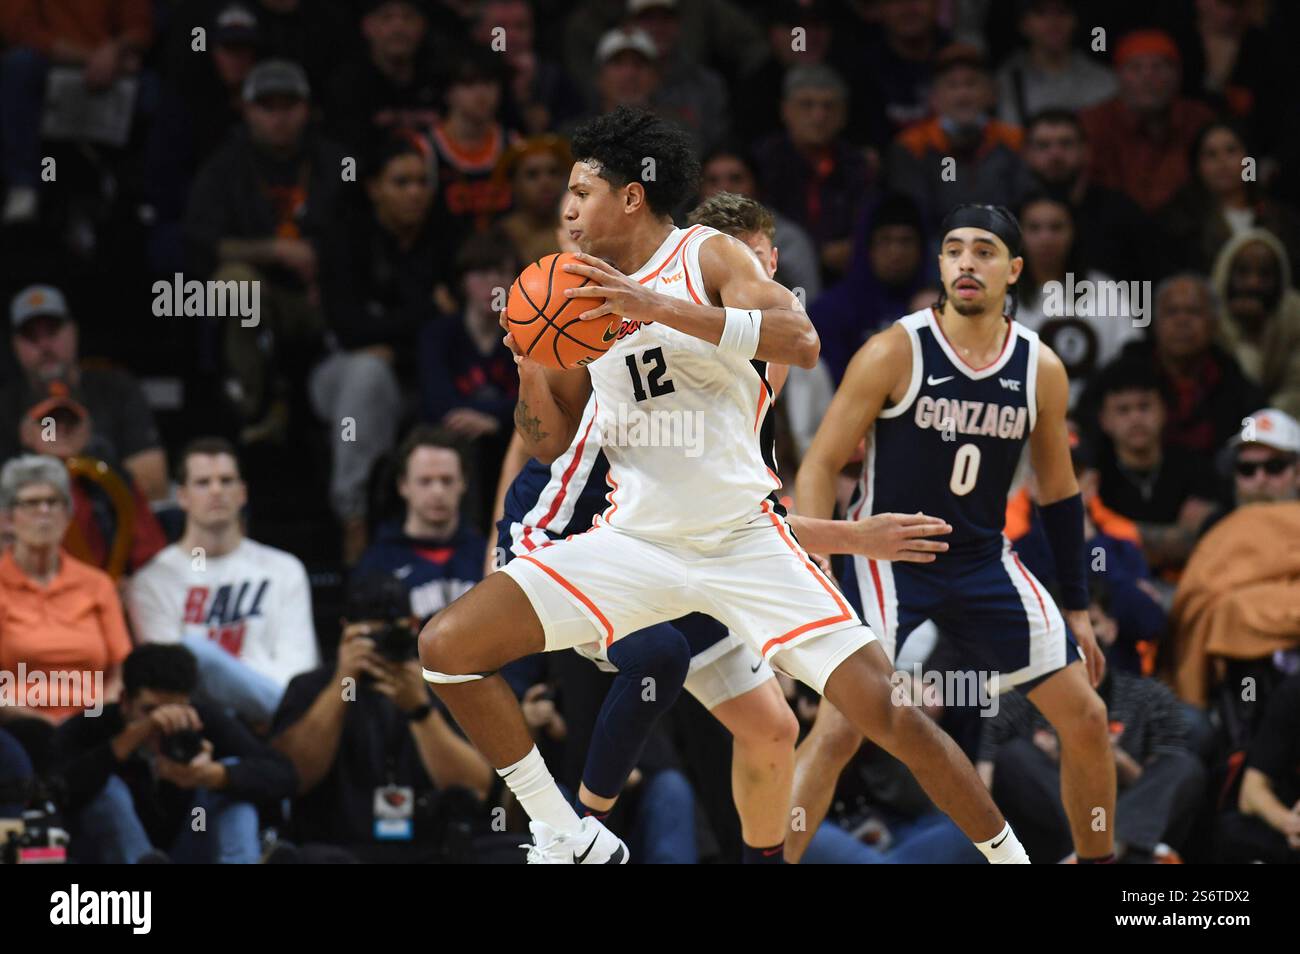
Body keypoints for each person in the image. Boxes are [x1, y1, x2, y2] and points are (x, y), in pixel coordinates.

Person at [418, 106, 1020, 865]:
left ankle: (1010, 858)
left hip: (745, 539)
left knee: (890, 717)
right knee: (445, 647)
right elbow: (555, 439)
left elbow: (801, 341)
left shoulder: (707, 255)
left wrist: (656, 307)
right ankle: (564, 833)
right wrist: (530, 365)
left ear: (631, 197)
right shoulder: (567, 286)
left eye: (581, 191)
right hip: (634, 541)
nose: (565, 208)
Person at [488, 189, 954, 863]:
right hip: (581, 531)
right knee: (653, 668)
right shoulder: (651, 332)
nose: (771, 277)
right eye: (754, 260)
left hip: (683, 548)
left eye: (769, 260)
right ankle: (573, 836)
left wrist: (848, 537)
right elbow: (538, 441)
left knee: (771, 727)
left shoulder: (750, 362)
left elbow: (745, 518)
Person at [787, 203, 1116, 864]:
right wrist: (820, 569)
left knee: (1083, 716)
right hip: (890, 558)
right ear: (940, 265)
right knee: (841, 728)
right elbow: (819, 464)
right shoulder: (893, 350)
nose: (967, 262)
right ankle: (770, 858)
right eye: (954, 249)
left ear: (1014, 269)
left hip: (981, 559)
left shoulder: (1039, 367)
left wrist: (1077, 607)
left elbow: (1058, 491)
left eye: (985, 251)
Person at [271, 574, 497, 863]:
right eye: (368, 638)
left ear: (414, 627)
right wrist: (343, 683)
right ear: (344, 631)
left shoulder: (442, 686)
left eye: (390, 636)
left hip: (427, 849)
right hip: (335, 848)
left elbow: (476, 789)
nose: (379, 649)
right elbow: (292, 777)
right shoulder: (310, 688)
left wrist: (420, 711)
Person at [183, 58, 348, 442]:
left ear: (307, 109)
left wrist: (330, 272)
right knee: (235, 285)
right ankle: (252, 404)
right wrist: (275, 250)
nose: (279, 118)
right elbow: (201, 242)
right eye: (267, 107)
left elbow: (361, 233)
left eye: (288, 106)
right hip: (266, 294)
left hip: (330, 293)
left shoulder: (336, 162)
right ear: (247, 110)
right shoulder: (224, 166)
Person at [313, 132, 443, 561]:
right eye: (401, 182)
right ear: (374, 188)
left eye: (422, 182)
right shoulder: (345, 238)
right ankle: (355, 518)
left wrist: (391, 338)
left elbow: (448, 326)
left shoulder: (444, 237)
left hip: (418, 371)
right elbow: (350, 330)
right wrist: (422, 314)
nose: (415, 193)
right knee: (368, 375)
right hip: (340, 374)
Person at [126, 438, 319, 724]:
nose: (217, 490)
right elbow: (171, 680)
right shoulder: (152, 580)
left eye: (226, 481)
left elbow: (298, 670)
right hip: (197, 723)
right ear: (182, 496)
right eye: (203, 483)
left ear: (242, 493)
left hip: (278, 725)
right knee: (195, 651)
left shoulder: (285, 569)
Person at [53, 643, 297, 864]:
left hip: (194, 831)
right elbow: (55, 790)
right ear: (124, 701)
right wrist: (123, 744)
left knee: (230, 780)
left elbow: (284, 775)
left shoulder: (203, 721)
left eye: (174, 711)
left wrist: (212, 775)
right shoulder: (93, 723)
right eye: (149, 710)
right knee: (107, 789)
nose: (163, 724)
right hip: (113, 853)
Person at [978, 663, 1203, 863]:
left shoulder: (1148, 696)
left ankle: (1109, 847)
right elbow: (983, 792)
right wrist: (1064, 759)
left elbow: (1159, 785)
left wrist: (1115, 759)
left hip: (1129, 808)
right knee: (1015, 756)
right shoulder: (1015, 702)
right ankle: (1105, 850)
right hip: (1058, 822)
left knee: (1183, 765)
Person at [1, 285, 168, 501]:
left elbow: (155, 487)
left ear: (73, 332)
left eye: (52, 331)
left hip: (108, 529)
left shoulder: (116, 389)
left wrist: (93, 450)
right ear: (15, 345)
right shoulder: (5, 407)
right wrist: (25, 454)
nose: (44, 345)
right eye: (31, 336)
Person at [0, 455, 130, 728]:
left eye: (53, 502)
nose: (44, 511)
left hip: (91, 726)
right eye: (31, 503)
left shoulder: (97, 584)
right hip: (15, 727)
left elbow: (122, 671)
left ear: (68, 516)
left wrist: (92, 718)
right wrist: (38, 721)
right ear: (9, 518)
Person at [887, 44, 1033, 242]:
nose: (962, 95)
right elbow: (915, 218)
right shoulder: (913, 145)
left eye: (971, 84)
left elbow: (1025, 206)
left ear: (992, 94)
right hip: (938, 249)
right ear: (934, 98)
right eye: (952, 85)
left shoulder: (1014, 140)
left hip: (1004, 245)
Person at [1011, 192, 1141, 405]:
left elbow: (1128, 357)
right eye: (1034, 228)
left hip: (1096, 415)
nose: (1046, 238)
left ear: (1074, 232)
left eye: (1056, 227)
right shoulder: (1000, 294)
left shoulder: (1105, 288)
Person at [753, 64, 872, 277]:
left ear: (844, 114)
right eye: (806, 105)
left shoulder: (857, 164)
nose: (819, 116)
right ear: (785, 110)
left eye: (829, 106)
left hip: (847, 271)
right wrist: (818, 250)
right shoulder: (762, 161)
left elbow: (867, 221)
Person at [356, 427, 486, 621]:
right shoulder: (376, 563)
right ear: (403, 485)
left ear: (463, 483)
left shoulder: (488, 554)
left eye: (447, 480)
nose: (437, 492)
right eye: (425, 481)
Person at [1078, 30, 1214, 214]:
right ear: (1118, 75)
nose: (1148, 77)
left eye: (1159, 67)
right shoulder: (1093, 123)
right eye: (1135, 67)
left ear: (1178, 75)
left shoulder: (1199, 119)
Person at [1021, 109, 1154, 283]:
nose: (1055, 155)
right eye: (1043, 145)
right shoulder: (1012, 217)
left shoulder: (1121, 212)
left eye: (1066, 143)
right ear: (1026, 154)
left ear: (1085, 151)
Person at [325, 0, 440, 154]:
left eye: (408, 17)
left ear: (422, 26)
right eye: (387, 17)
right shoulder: (347, 86)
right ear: (367, 26)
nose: (399, 27)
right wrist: (350, 178)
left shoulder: (440, 80)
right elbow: (343, 154)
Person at [1210, 228, 1300, 418]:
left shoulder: (1294, 315)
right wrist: (1248, 337)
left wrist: (1264, 424)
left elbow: (1295, 390)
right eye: (1242, 272)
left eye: (1265, 274)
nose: (1253, 283)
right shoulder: (1207, 317)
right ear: (1226, 273)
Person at [1216, 674, 1300, 864]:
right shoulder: (1292, 694)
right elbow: (1250, 794)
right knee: (1235, 831)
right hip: (1288, 826)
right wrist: (1289, 823)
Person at [994, 0, 1117, 127]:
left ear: (1075, 20)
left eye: (1062, 12)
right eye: (1041, 13)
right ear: (1023, 24)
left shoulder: (1103, 79)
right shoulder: (1006, 81)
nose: (1053, 22)